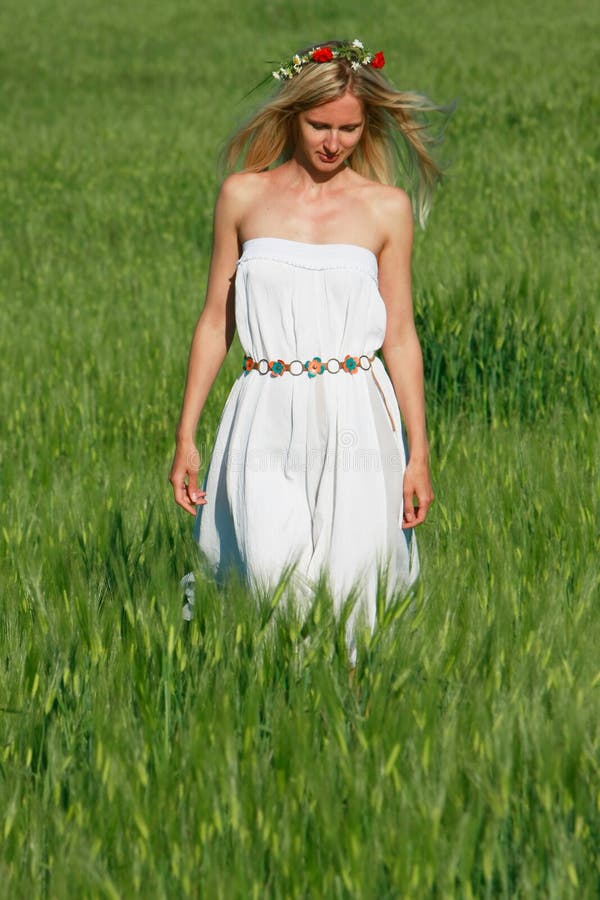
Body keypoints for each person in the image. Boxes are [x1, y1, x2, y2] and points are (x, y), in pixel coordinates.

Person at [169, 39, 445, 639]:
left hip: (358, 413)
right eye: (319, 125)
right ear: (293, 115)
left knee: (355, 586)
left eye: (349, 129)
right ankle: (274, 691)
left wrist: (418, 452)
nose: (332, 143)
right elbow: (217, 320)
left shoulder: (386, 208)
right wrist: (186, 434)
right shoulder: (242, 196)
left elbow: (400, 335)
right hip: (263, 410)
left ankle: (355, 695)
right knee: (269, 578)